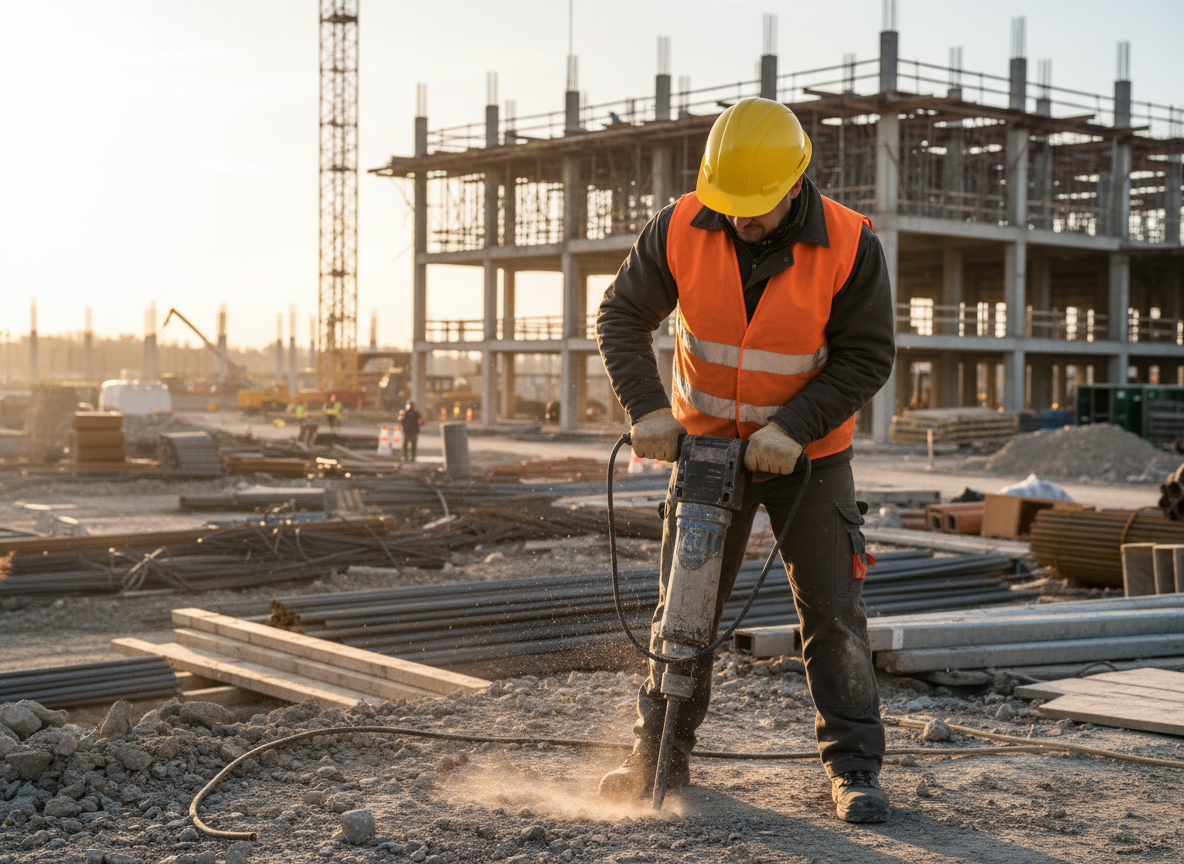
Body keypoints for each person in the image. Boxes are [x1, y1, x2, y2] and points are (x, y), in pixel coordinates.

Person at [594, 97, 895, 823]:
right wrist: (648, 411)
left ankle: (854, 768)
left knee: (833, 615)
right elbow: (620, 316)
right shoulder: (680, 224)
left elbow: (867, 356)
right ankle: (658, 757)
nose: (740, 219)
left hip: (811, 460)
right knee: (682, 614)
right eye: (730, 204)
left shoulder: (852, 245)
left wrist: (793, 426)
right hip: (704, 452)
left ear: (796, 183)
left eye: (755, 207)